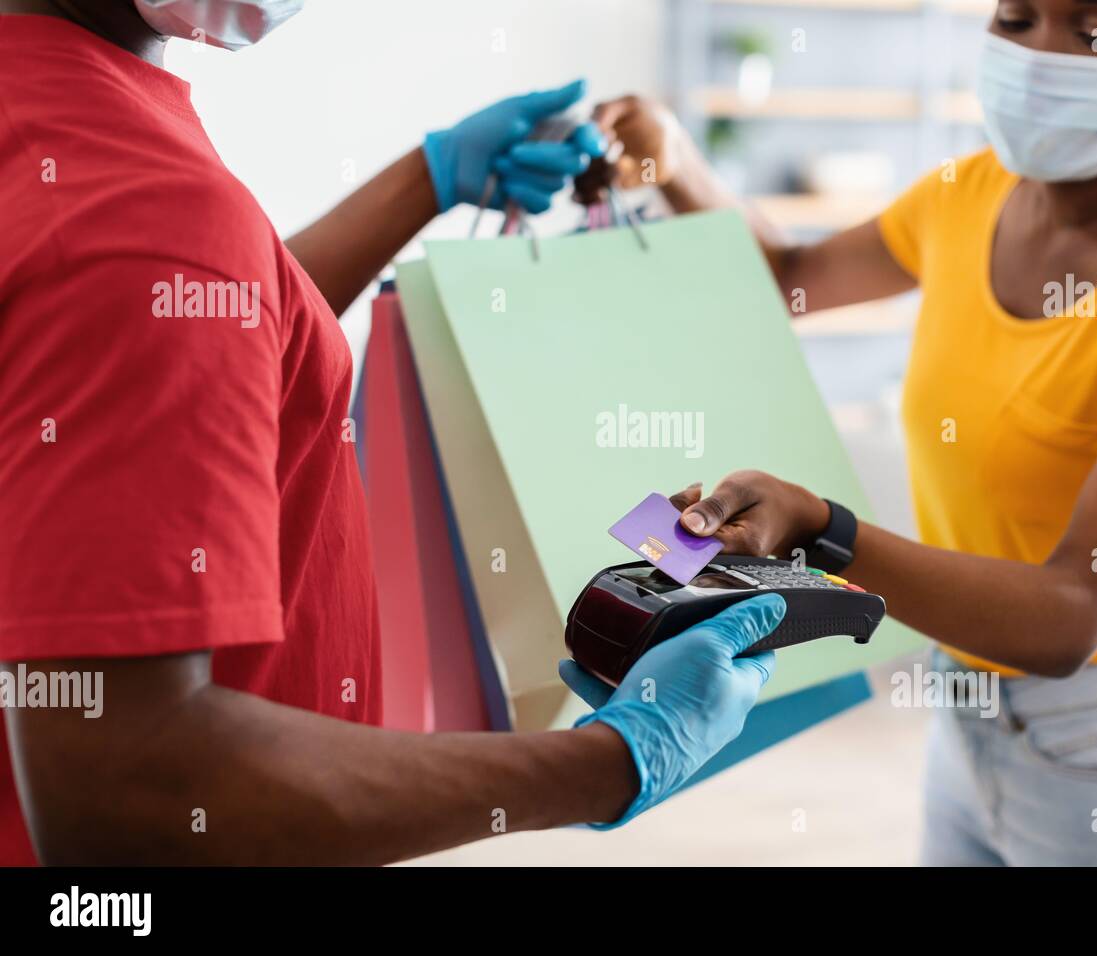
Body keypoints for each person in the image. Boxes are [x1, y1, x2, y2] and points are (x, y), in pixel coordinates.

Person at [0, 0, 784, 865]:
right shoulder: (147, 217)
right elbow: (139, 790)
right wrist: (616, 759)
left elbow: (197, 329)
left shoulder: (59, 128)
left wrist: (430, 177)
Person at [597, 0, 1097, 865]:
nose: (1040, 54)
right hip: (964, 720)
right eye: (1017, 16)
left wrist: (823, 531)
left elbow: (1070, 617)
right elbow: (793, 278)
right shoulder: (967, 194)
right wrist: (674, 156)